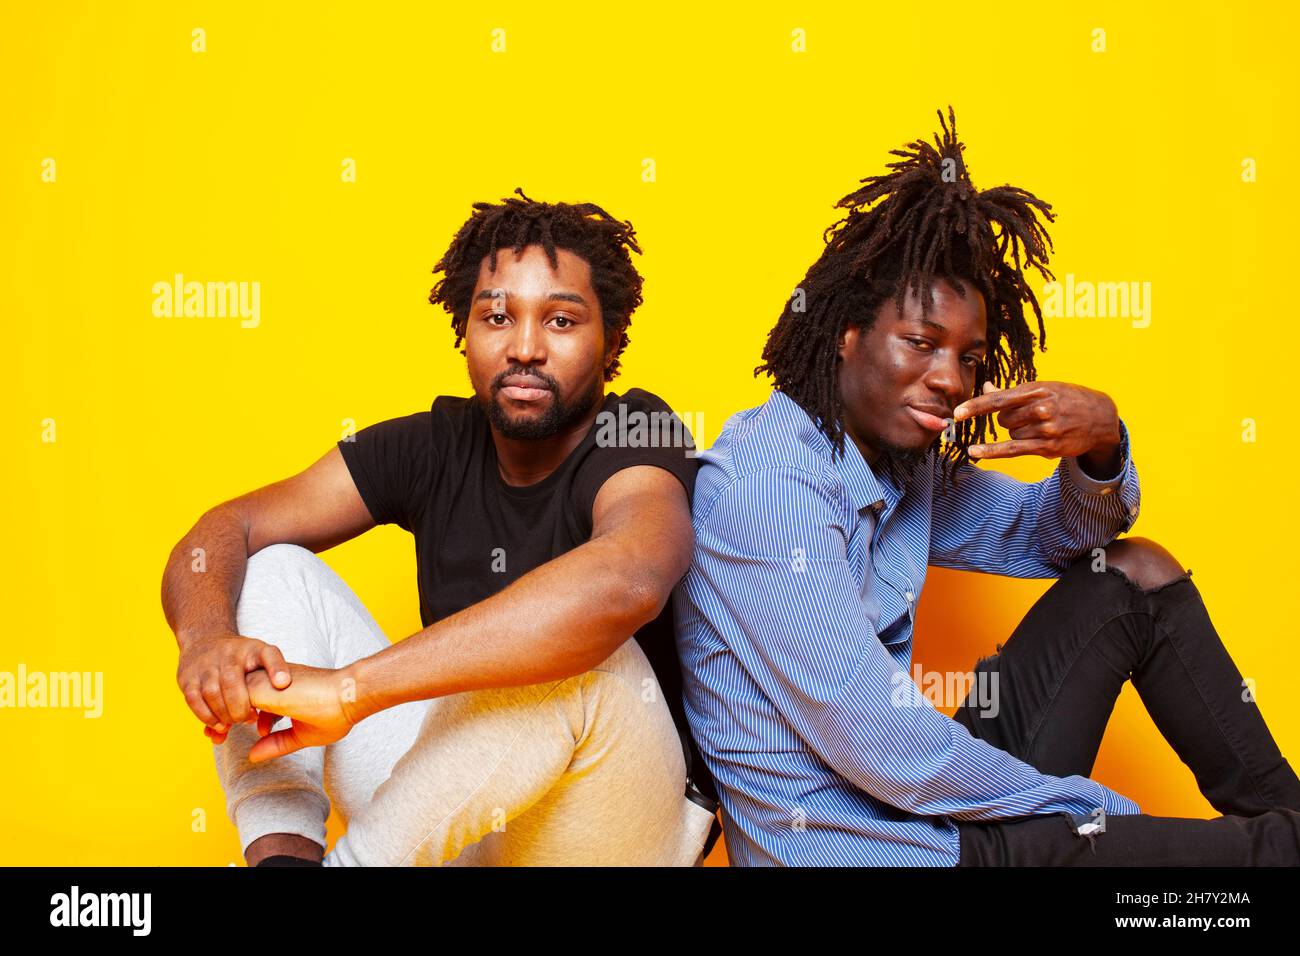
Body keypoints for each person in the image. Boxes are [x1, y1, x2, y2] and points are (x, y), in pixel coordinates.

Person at [672, 108, 1300, 865]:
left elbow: (1054, 538)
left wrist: (1099, 447)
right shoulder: (769, 490)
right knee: (1236, 861)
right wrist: (1091, 814)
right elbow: (884, 745)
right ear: (845, 334)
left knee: (1133, 576)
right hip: (871, 846)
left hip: (928, 810)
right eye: (921, 343)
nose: (949, 379)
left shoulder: (896, 463)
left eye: (969, 357)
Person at [161, 189, 717, 866]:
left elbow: (625, 580)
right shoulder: (435, 444)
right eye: (497, 317)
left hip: (605, 821)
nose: (526, 347)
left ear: (611, 339)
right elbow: (229, 526)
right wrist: (206, 639)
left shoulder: (638, 430)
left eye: (562, 321)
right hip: (453, 804)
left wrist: (351, 690)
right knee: (274, 566)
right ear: (464, 327)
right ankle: (285, 859)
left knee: (584, 650)